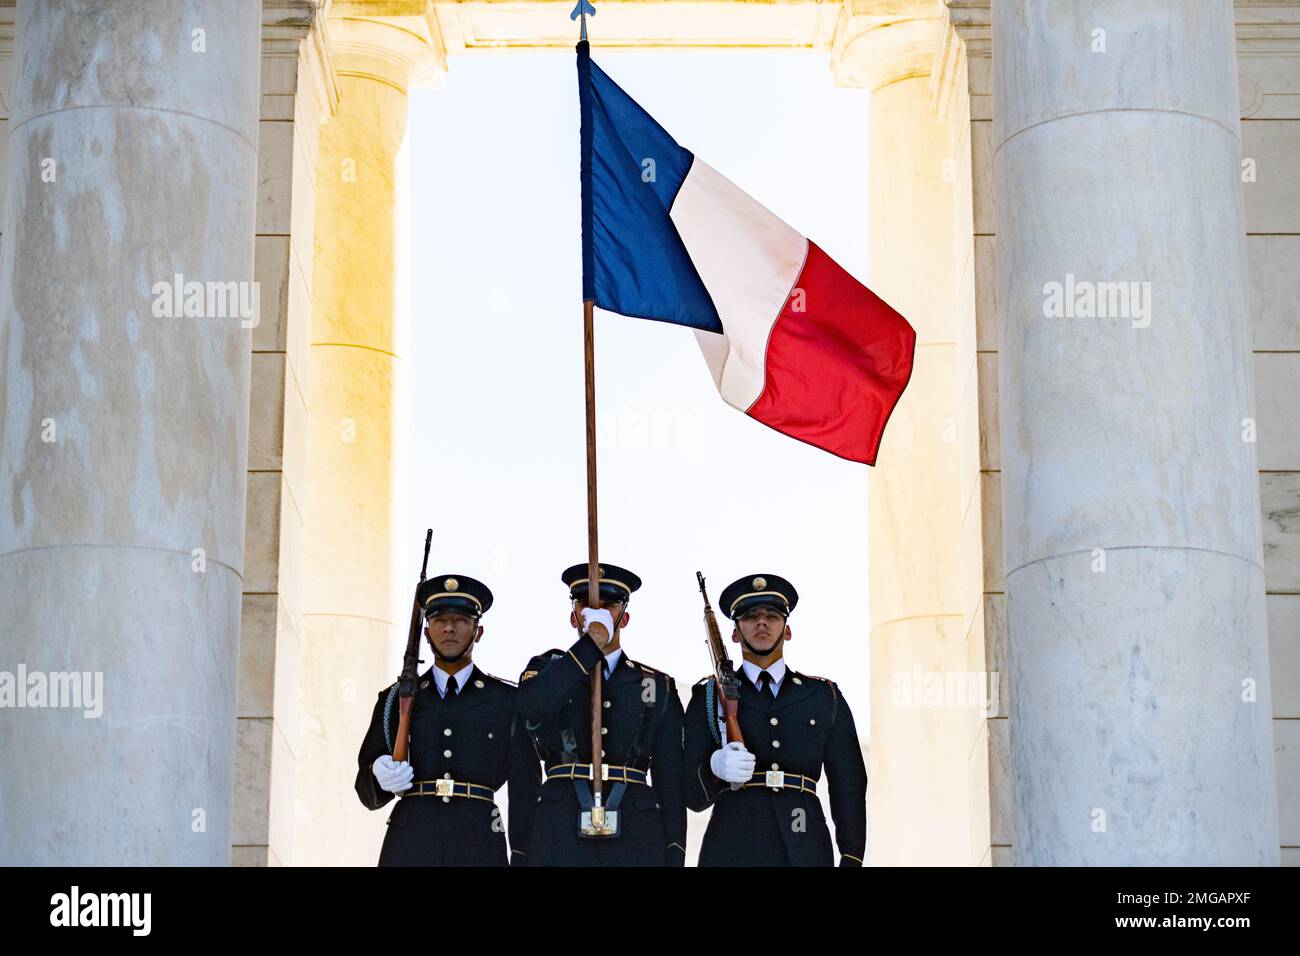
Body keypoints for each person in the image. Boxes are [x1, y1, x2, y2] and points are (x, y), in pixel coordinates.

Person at [355, 574, 540, 865]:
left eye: (461, 620)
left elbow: (525, 792)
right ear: (427, 632)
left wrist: (522, 857)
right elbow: (366, 792)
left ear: (478, 631)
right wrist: (378, 774)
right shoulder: (395, 699)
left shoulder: (507, 701)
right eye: (439, 620)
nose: (449, 628)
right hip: (410, 842)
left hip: (479, 841)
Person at [683, 574, 867, 866]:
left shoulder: (823, 696)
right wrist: (715, 768)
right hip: (731, 848)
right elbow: (691, 795)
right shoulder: (710, 696)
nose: (761, 623)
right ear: (734, 633)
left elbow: (849, 784)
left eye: (772, 615)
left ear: (787, 629)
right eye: (750, 616)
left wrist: (851, 856)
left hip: (804, 845)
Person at [513, 563, 686, 866]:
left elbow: (670, 783)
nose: (598, 613)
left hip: (636, 834)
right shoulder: (548, 669)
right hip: (559, 831)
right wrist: (587, 647)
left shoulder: (657, 686)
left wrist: (674, 853)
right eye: (587, 605)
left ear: (625, 617)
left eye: (608, 606)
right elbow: (531, 709)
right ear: (573, 616)